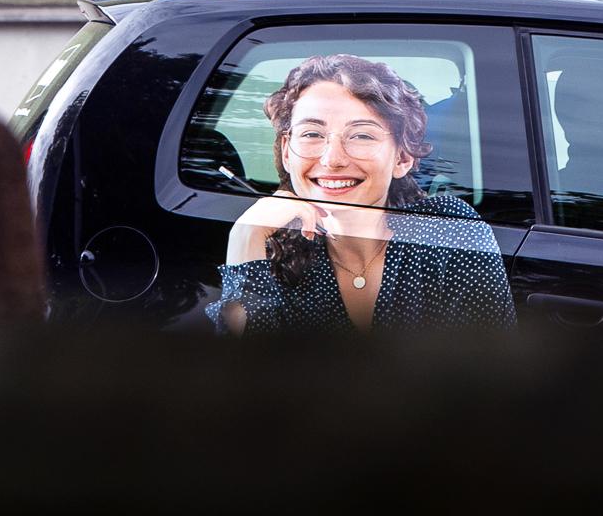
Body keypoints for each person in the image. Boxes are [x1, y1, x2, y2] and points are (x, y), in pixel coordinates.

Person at [209, 53, 515, 334]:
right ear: (287, 152)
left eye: (361, 135)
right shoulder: (270, 254)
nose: (332, 159)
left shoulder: (448, 232)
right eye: (312, 134)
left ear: (402, 158)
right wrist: (245, 237)